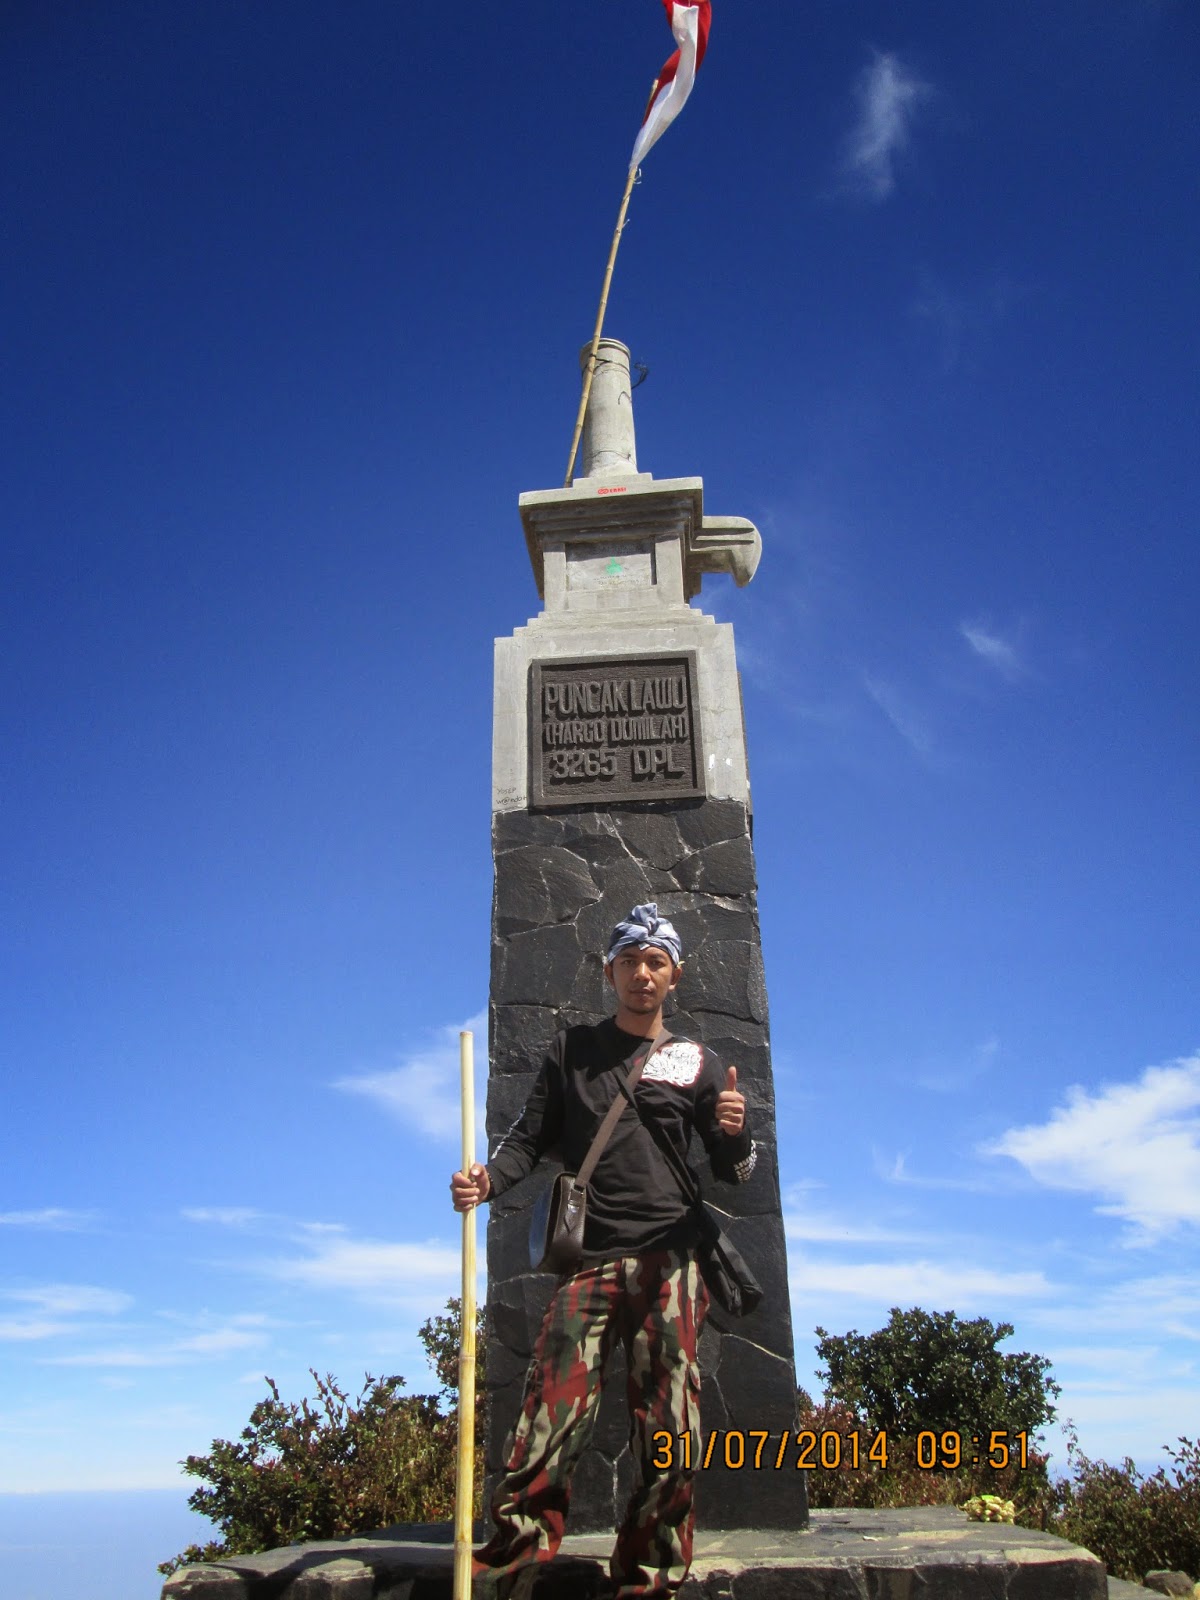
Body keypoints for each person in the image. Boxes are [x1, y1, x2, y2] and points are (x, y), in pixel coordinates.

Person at [450, 902, 756, 1600]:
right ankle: (511, 1562)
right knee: (547, 1422)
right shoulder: (572, 1051)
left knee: (671, 1429)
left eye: (656, 962)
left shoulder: (698, 1062)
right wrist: (487, 1180)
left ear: (674, 975)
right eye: (629, 961)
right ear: (609, 969)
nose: (642, 974)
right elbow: (528, 1137)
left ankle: (648, 1577)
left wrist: (735, 1134)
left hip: (674, 1264)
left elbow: (736, 1171)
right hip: (590, 1263)